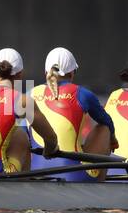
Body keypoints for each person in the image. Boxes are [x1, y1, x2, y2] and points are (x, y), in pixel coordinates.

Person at [28, 47, 116, 181]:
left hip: (34, 174)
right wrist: (113, 139)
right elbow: (107, 122)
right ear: (72, 73)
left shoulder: (30, 94)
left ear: (46, 72)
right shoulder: (82, 94)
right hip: (73, 175)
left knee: (19, 132)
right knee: (104, 129)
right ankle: (100, 186)